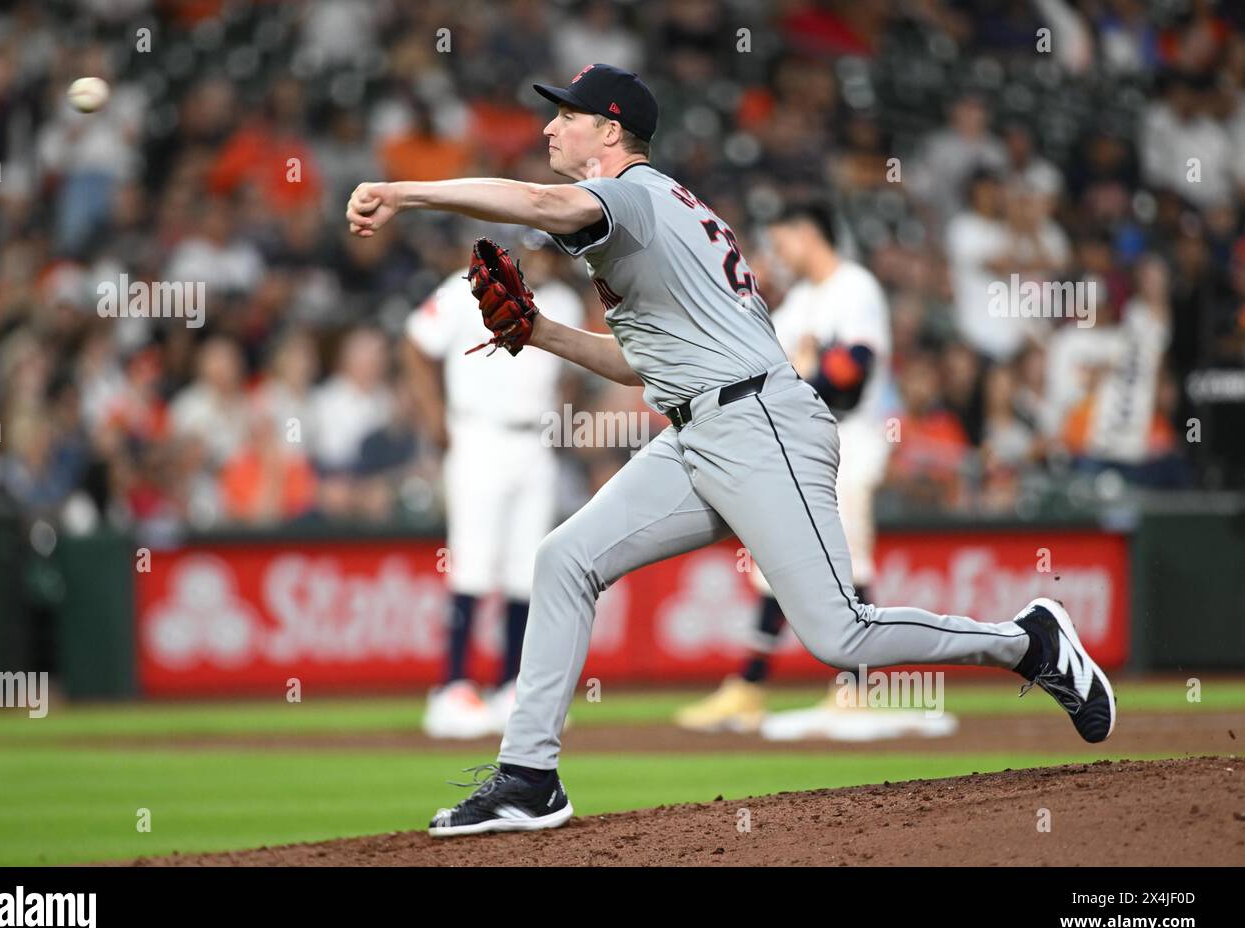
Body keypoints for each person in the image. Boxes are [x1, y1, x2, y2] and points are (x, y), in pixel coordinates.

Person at [345, 64, 1116, 839]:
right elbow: (639, 362)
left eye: (565, 115)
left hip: (759, 423)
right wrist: (540, 332)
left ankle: (1029, 642)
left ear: (609, 132)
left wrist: (409, 193)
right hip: (704, 427)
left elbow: (541, 203)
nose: (549, 127)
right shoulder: (649, 216)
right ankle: (528, 779)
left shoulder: (634, 195)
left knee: (838, 632)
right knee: (565, 560)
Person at [674, 199, 955, 742]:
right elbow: (759, 366)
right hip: (802, 439)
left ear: (808, 233)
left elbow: (855, 368)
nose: (777, 254)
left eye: (783, 242)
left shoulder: (855, 287)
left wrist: (801, 379)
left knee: (849, 558)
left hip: (849, 438)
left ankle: (858, 686)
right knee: (776, 557)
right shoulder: (800, 301)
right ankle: (750, 686)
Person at [404, 231, 583, 739]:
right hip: (478, 433)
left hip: (535, 443)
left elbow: (571, 370)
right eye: (534, 252)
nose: (543, 261)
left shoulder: (563, 300)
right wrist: (435, 418)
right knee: (473, 563)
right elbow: (416, 342)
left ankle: (511, 687)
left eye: (550, 251)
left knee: (526, 569)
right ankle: (451, 688)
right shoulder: (465, 288)